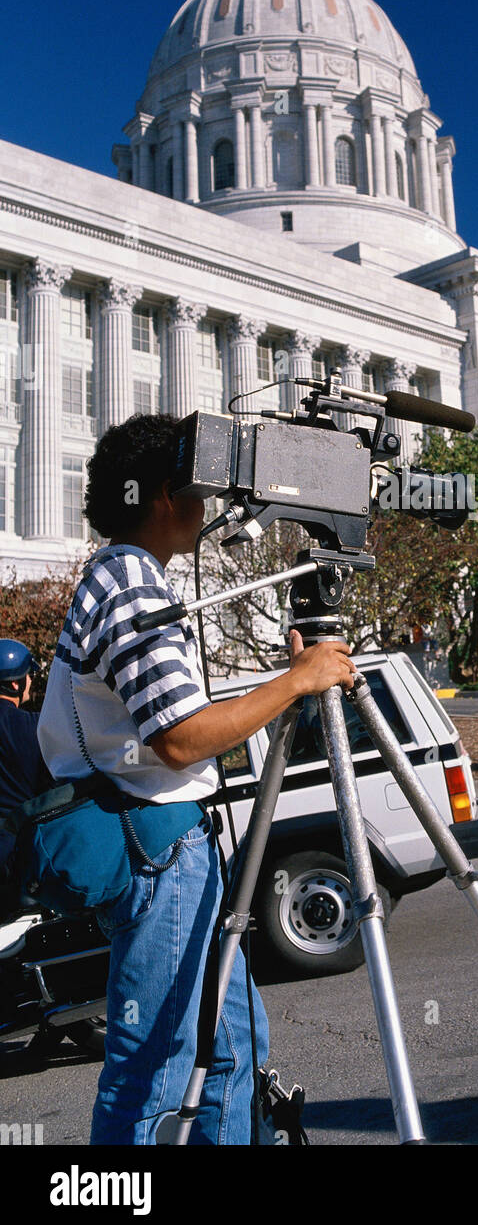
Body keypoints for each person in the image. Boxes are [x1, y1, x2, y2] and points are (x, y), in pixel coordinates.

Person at [37, 414, 357, 1146]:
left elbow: (178, 716)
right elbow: (180, 739)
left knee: (232, 1049)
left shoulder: (131, 577)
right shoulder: (128, 584)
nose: (208, 505)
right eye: (196, 488)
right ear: (159, 496)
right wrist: (295, 681)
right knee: (155, 1064)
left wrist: (289, 680)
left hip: (175, 849)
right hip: (156, 853)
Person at [0, 640, 52, 895]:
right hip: (16, 861)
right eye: (29, 675)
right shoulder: (34, 728)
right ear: (15, 683)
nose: (31, 680)